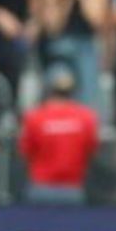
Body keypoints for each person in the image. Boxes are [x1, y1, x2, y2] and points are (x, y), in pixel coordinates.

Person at [17, 63, 100, 204]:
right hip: (73, 190)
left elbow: (25, 152)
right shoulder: (87, 117)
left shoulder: (35, 117)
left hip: (41, 189)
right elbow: (91, 151)